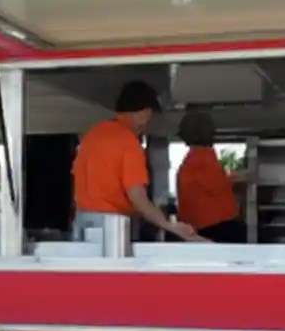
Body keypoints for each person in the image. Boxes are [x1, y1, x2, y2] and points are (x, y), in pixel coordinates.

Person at [71, 81, 203, 242]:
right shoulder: (128, 143)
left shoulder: (93, 134)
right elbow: (138, 197)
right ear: (144, 112)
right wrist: (169, 225)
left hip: (81, 221)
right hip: (110, 226)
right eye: (150, 115)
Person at [174, 112, 247, 243]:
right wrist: (239, 177)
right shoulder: (202, 157)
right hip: (214, 227)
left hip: (197, 226)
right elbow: (216, 184)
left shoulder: (190, 161)